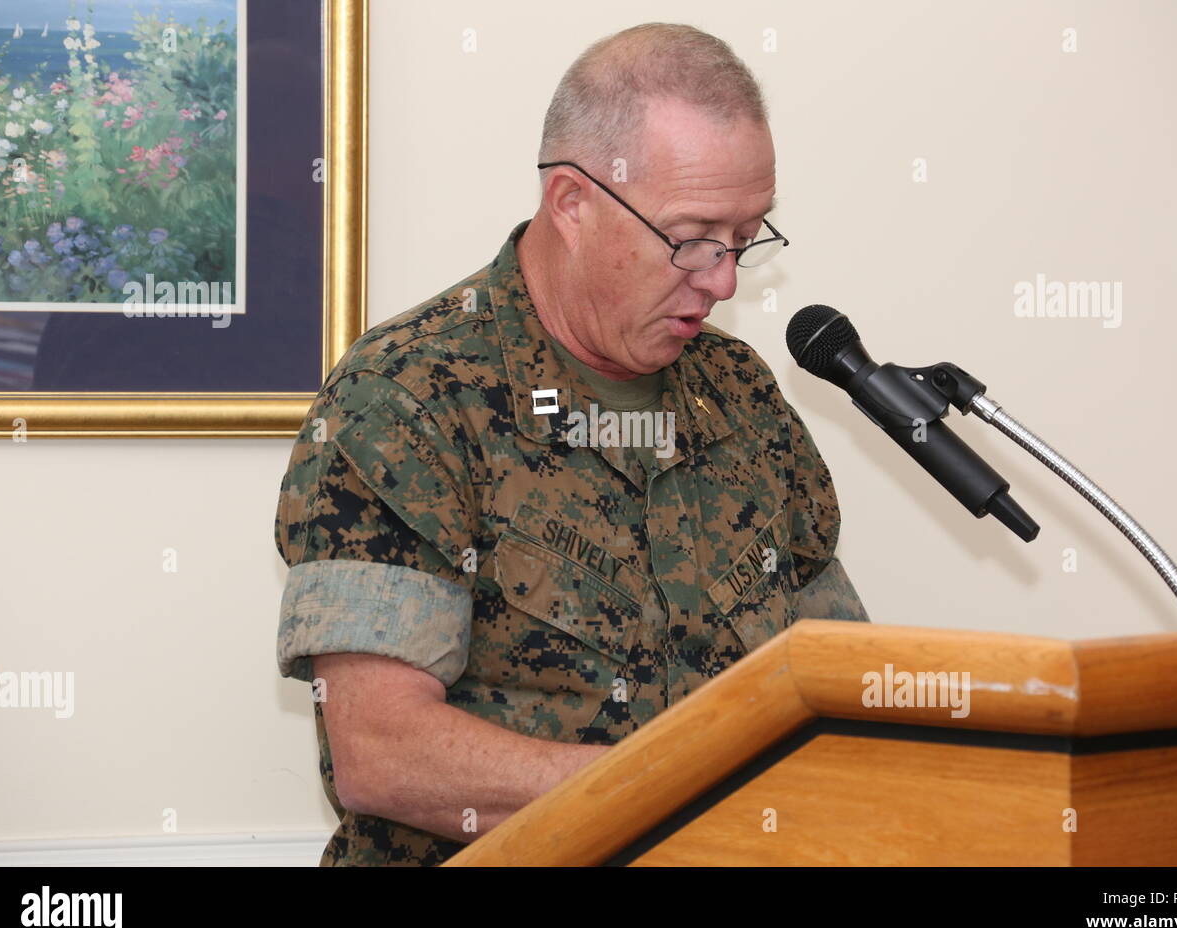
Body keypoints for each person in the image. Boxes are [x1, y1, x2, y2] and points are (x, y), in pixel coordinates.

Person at [273, 22, 868, 867]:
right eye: (692, 235)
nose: (724, 278)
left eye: (745, 237)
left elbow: (836, 677)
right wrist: (674, 785)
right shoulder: (409, 396)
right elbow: (383, 753)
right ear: (573, 204)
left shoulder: (740, 394)